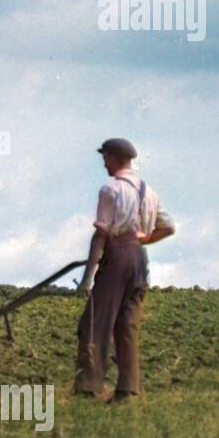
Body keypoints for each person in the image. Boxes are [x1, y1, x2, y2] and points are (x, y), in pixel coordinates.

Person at [74, 138, 175, 402]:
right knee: (127, 325)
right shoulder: (148, 191)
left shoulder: (111, 189)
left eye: (105, 158)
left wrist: (86, 278)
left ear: (115, 157)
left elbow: (101, 235)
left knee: (95, 321)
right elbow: (168, 227)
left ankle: (88, 387)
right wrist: (142, 239)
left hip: (117, 256)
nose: (104, 163)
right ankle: (127, 390)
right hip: (140, 261)